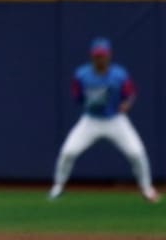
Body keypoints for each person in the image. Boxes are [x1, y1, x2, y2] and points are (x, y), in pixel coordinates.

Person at [48, 37, 159, 203]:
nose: (100, 58)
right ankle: (58, 187)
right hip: (91, 120)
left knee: (136, 153)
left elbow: (130, 93)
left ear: (109, 56)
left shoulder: (119, 74)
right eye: (97, 55)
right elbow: (77, 96)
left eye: (103, 55)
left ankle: (147, 189)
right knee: (68, 152)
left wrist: (127, 104)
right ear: (92, 56)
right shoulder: (82, 75)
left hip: (116, 120)